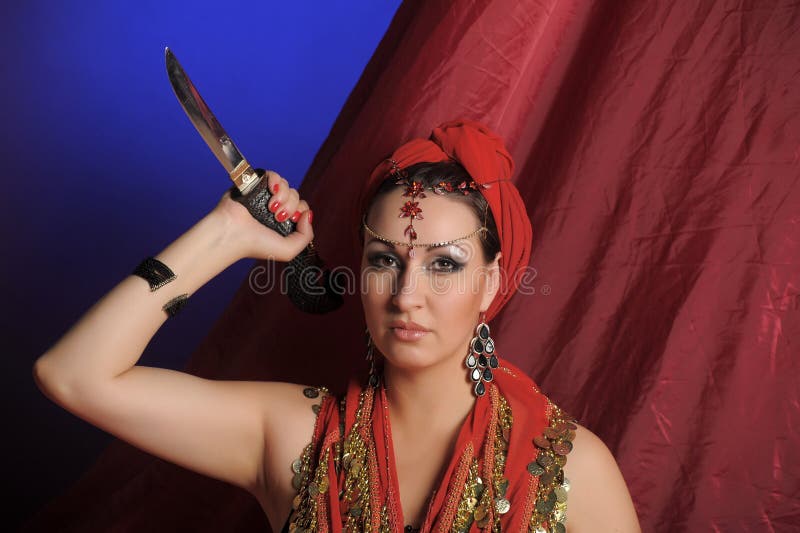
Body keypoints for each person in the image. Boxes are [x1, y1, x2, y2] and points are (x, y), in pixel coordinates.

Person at [33, 119, 640, 532]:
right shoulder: (294, 438)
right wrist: (225, 235)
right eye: (384, 261)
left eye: (444, 264)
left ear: (491, 282)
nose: (407, 294)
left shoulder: (568, 469)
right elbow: (73, 375)